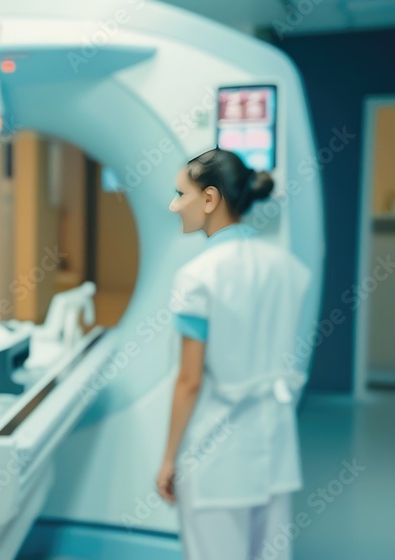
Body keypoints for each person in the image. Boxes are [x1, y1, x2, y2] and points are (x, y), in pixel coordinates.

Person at [157, 148, 311, 560]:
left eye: (181, 194)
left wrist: (168, 458)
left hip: (216, 454)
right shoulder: (287, 268)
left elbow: (189, 382)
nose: (174, 206)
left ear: (209, 200)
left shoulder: (197, 278)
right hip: (275, 446)